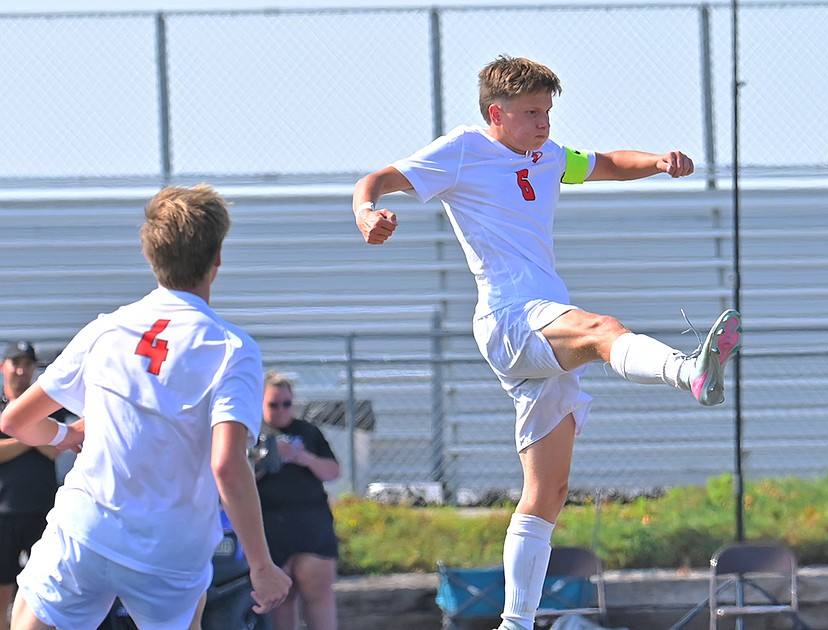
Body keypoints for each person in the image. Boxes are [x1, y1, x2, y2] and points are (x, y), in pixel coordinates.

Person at [351, 55, 742, 630]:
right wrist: (367, 213)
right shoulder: (463, 149)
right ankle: (690, 373)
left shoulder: (546, 155)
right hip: (512, 317)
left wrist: (658, 162)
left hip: (541, 323)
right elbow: (376, 181)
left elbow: (605, 163)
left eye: (548, 111)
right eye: (532, 112)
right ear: (496, 113)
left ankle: (516, 623)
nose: (544, 123)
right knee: (602, 329)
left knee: (547, 493)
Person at [0, 184, 292, 630]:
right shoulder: (231, 348)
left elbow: (17, 420)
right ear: (216, 259)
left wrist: (66, 435)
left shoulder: (106, 330)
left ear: (150, 255)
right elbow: (228, 466)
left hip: (89, 531)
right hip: (169, 548)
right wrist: (261, 566)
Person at [256, 371, 340, 630]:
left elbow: (333, 471)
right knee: (279, 600)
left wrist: (304, 458)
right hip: (269, 525)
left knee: (318, 595)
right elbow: (233, 478)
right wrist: (265, 459)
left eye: (286, 404)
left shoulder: (308, 432)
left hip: (310, 524)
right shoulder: (251, 432)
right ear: (261, 403)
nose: (281, 410)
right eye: (273, 404)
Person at [0, 341, 69, 630]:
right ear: (3, 367)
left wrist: (16, 431)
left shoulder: (46, 405)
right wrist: (34, 434)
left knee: (48, 585)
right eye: (15, 363)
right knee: (2, 586)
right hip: (3, 513)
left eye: (28, 365)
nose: (21, 370)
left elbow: (56, 449)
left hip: (42, 510)